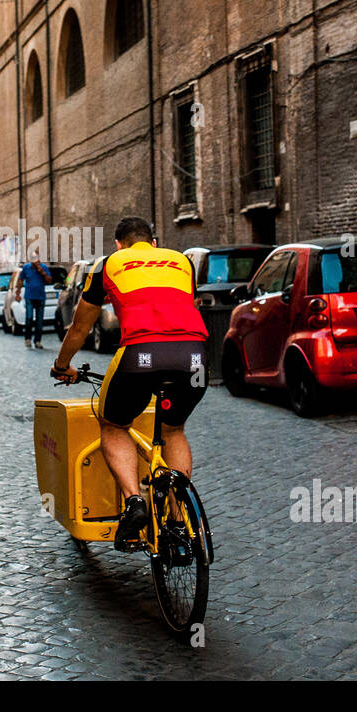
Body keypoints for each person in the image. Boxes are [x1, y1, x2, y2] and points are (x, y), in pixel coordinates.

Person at [52, 217, 209, 550]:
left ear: (118, 244)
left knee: (112, 424)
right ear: (154, 243)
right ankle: (178, 520)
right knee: (174, 430)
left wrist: (62, 366)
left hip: (141, 355)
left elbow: (80, 328)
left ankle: (134, 502)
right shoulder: (181, 261)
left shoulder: (106, 264)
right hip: (194, 357)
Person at [14, 252, 53, 349]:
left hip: (40, 297)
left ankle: (37, 341)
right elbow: (20, 280)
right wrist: (18, 293)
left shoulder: (44, 267)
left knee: (39, 321)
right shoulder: (26, 268)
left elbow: (49, 280)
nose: (35, 261)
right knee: (29, 318)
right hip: (29, 297)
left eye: (37, 259)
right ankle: (28, 339)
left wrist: (42, 272)